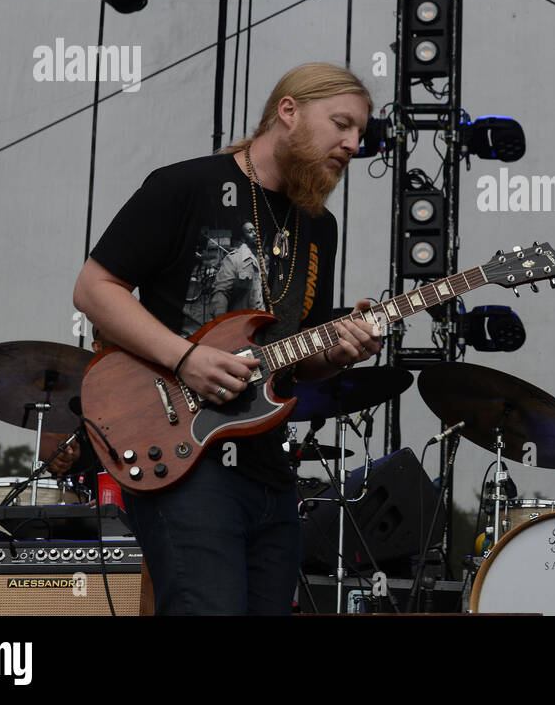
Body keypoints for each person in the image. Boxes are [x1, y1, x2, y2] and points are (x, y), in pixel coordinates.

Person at [73, 62, 382, 615]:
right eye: (341, 124)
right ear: (288, 111)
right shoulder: (186, 186)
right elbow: (95, 288)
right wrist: (186, 357)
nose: (353, 144)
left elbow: (290, 358)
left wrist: (334, 355)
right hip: (184, 456)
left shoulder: (318, 226)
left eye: (360, 133)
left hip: (269, 468)